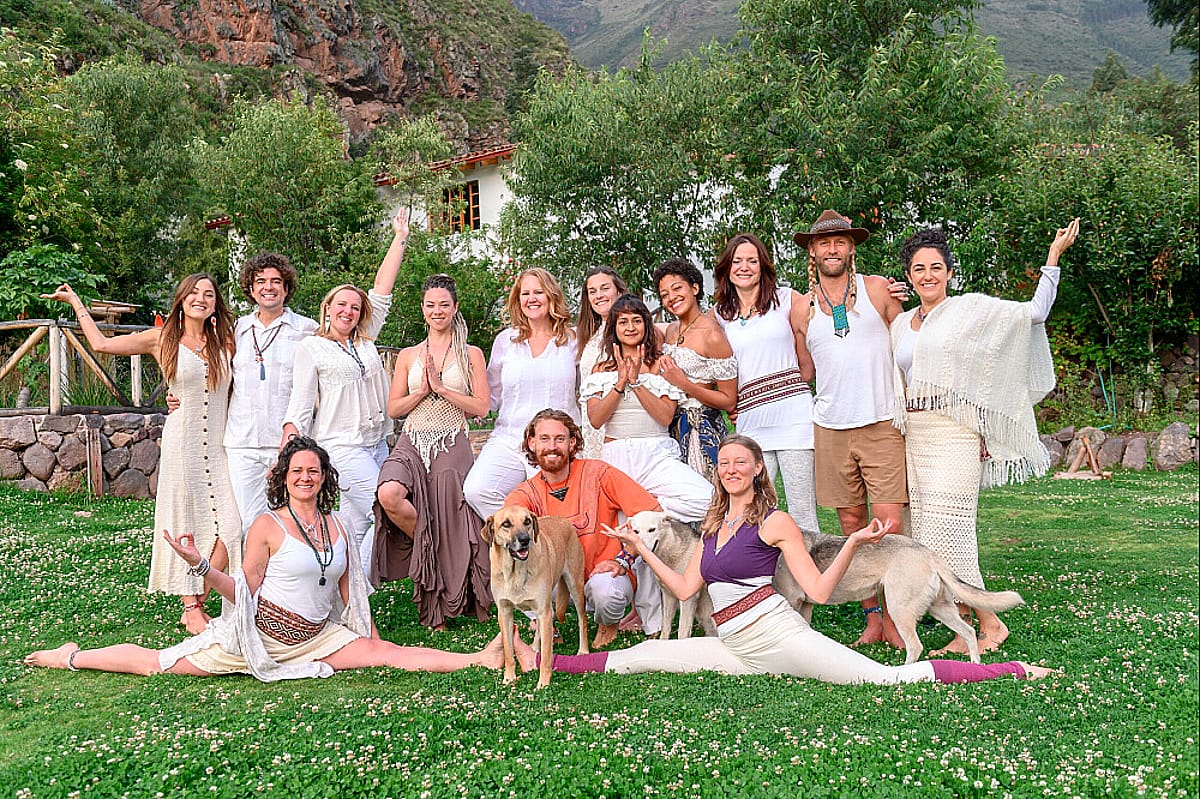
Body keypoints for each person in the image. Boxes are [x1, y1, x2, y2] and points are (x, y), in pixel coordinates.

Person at [513, 435, 1053, 686]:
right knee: (646, 656)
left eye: (740, 463)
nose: (730, 469)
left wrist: (851, 544)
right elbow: (683, 591)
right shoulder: (711, 527)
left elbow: (816, 593)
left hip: (776, 635)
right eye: (724, 463)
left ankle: (1011, 670)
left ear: (757, 471)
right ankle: (540, 660)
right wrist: (639, 549)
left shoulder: (774, 522)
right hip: (734, 646)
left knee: (884, 681)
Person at [23, 438, 512, 680]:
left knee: (390, 654)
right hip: (258, 639)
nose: (305, 478)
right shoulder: (267, 525)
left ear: (325, 477)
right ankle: (70, 656)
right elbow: (243, 591)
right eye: (297, 471)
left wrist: (374, 640)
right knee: (158, 664)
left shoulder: (338, 526)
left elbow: (352, 597)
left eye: (313, 471)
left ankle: (481, 657)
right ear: (285, 477)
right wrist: (201, 566)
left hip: (316, 638)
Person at [890, 220, 1080, 655]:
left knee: (952, 533)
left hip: (955, 434)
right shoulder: (900, 324)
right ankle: (965, 627)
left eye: (935, 267)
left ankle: (989, 624)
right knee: (928, 536)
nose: (927, 276)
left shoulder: (969, 311)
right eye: (918, 268)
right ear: (909, 275)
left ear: (949, 272)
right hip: (916, 437)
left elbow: (1033, 313)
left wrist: (1053, 257)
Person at [44, 276, 241, 634]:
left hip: (219, 445)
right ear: (181, 300)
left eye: (209, 294)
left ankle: (202, 597)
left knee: (232, 526)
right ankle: (191, 608)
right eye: (194, 293)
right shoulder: (162, 338)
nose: (201, 299)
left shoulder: (225, 341)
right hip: (182, 442)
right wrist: (77, 305)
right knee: (184, 520)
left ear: (216, 304)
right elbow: (102, 344)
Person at [793, 210, 908, 648]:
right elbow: (805, 370)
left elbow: (911, 343)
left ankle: (897, 618)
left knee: (889, 524)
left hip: (881, 422)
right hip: (830, 427)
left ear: (851, 247)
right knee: (852, 524)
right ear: (812, 251)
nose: (832, 249)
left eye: (839, 241)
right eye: (824, 243)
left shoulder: (878, 289)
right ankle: (873, 617)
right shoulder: (801, 308)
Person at [282, 210, 408, 569]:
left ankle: (341, 587)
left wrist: (399, 237)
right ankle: (357, 588)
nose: (348, 311)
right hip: (341, 447)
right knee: (383, 508)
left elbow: (382, 290)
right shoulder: (311, 348)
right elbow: (300, 406)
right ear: (327, 308)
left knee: (357, 526)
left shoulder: (366, 340)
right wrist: (290, 449)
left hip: (377, 444)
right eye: (341, 305)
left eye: (355, 307)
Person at [372, 274, 492, 631]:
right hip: (412, 439)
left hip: (452, 440)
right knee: (389, 493)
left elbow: (481, 406)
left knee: (451, 520)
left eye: (443, 304)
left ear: (455, 308)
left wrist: (442, 389)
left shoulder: (471, 354)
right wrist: (422, 392)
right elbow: (394, 409)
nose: (437, 310)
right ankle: (429, 552)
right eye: (430, 305)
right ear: (423, 309)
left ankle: (445, 599)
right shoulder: (409, 355)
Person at [504, 409, 663, 648]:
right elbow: (505, 534)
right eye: (544, 439)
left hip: (604, 575)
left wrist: (624, 558)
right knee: (517, 573)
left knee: (606, 592)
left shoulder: (598, 473)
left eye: (560, 439)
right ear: (532, 443)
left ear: (572, 443)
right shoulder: (525, 494)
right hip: (555, 580)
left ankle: (608, 622)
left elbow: (652, 512)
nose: (552, 446)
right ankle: (544, 621)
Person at [712, 233, 820, 533]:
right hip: (751, 418)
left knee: (802, 511)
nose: (744, 267)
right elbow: (688, 330)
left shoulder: (786, 299)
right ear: (727, 268)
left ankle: (811, 564)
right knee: (752, 507)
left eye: (752, 261)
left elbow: (830, 302)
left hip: (793, 415)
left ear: (763, 266)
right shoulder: (720, 314)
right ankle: (760, 564)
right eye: (737, 261)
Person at [581, 293, 714, 524]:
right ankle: (639, 511)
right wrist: (620, 383)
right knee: (620, 527)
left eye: (637, 320)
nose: (630, 327)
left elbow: (665, 417)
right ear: (614, 328)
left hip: (656, 454)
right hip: (616, 456)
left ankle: (646, 508)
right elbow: (596, 419)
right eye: (623, 322)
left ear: (646, 325)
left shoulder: (662, 364)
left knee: (707, 499)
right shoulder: (601, 369)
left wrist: (636, 383)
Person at [463, 269, 580, 519]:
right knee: (477, 490)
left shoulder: (573, 340)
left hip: (555, 444)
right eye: (525, 293)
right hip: (509, 439)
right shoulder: (506, 340)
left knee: (559, 511)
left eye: (538, 292)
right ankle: (526, 533)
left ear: (551, 296)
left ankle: (545, 535)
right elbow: (491, 396)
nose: (532, 299)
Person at [224, 253, 318, 532]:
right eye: (261, 281)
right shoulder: (236, 330)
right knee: (249, 521)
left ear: (286, 288)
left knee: (293, 519)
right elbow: (213, 374)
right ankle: (253, 563)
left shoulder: (308, 330)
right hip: (243, 442)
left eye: (276, 281)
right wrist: (177, 395)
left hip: (289, 442)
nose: (269, 287)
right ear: (251, 289)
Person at [653, 257, 738, 480]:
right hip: (672, 426)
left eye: (677, 288)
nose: (671, 298)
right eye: (664, 294)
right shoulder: (671, 331)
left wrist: (684, 384)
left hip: (701, 428)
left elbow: (728, 400)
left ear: (695, 288)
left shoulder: (712, 335)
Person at [575, 266, 629, 458]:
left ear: (619, 292)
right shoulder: (592, 334)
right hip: (592, 426)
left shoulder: (629, 329)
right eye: (592, 291)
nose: (599, 295)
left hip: (617, 426)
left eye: (605, 288)